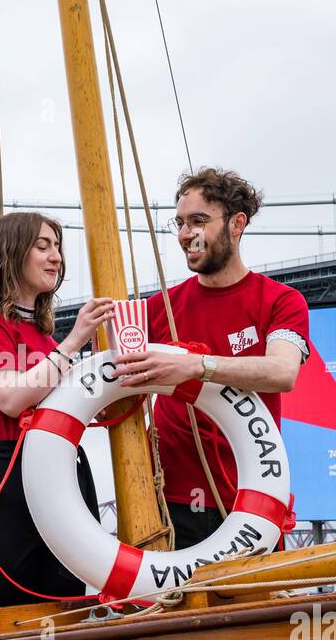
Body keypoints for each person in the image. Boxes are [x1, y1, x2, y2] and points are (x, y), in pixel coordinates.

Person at [114, 168, 310, 549]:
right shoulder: (158, 309)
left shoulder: (281, 301)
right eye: (180, 223)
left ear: (237, 224)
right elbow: (112, 376)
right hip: (166, 505)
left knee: (254, 611)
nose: (186, 234)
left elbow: (283, 371)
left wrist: (196, 367)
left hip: (251, 499)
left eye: (199, 221)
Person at [0, 211, 114, 608]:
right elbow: (9, 399)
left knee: (65, 592)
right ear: (11, 255)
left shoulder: (44, 337)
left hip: (65, 467)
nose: (56, 256)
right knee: (3, 599)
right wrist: (75, 341)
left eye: (58, 247)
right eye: (43, 246)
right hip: (10, 475)